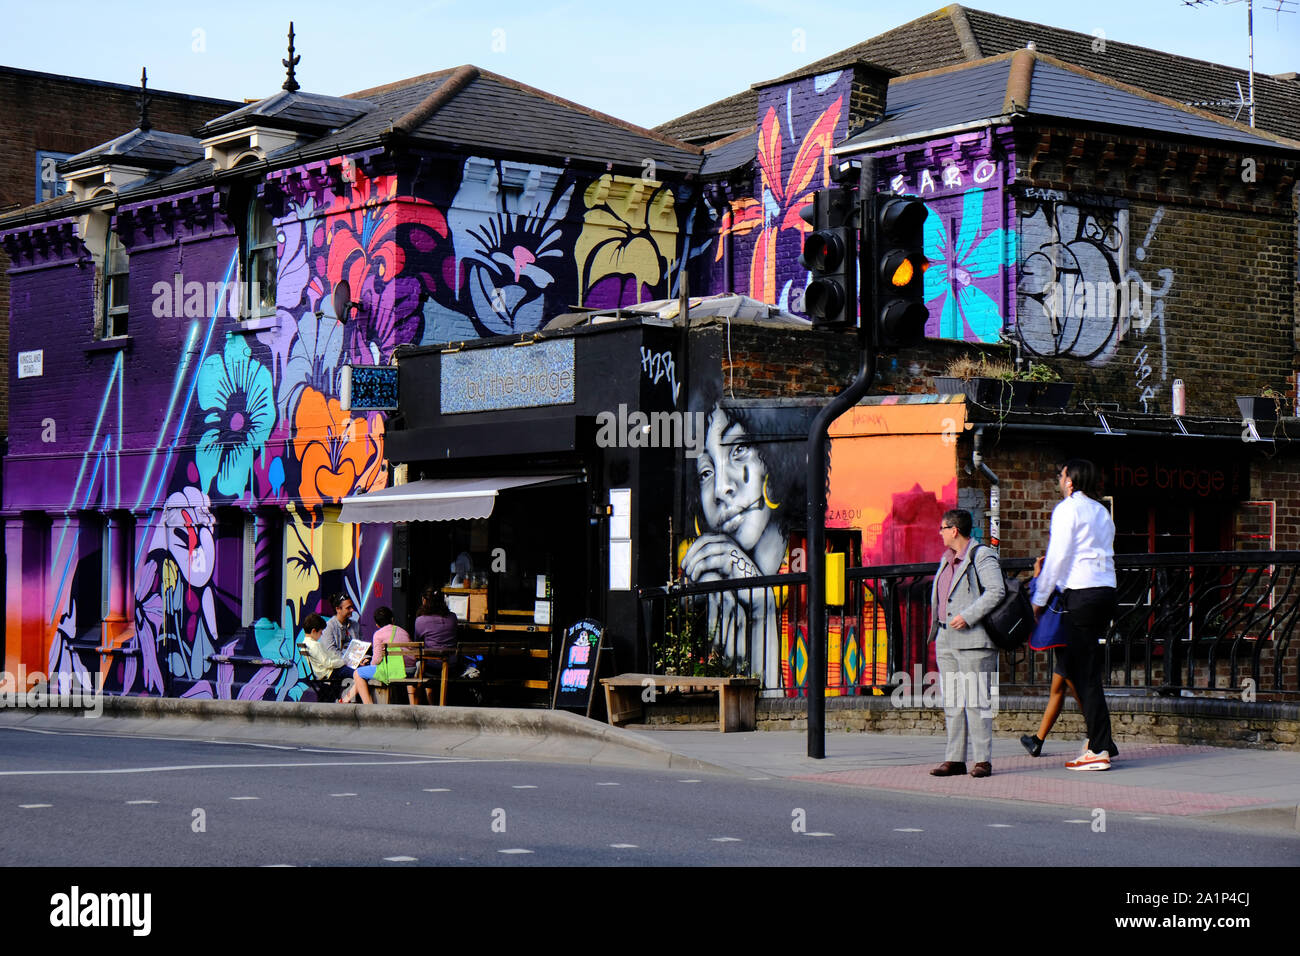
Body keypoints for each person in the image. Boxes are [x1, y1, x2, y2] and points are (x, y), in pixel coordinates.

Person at [679, 395, 799, 687]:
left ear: (773, 460)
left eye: (739, 450)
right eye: (706, 472)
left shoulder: (820, 581)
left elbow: (782, 724)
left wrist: (761, 608)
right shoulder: (708, 576)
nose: (721, 488)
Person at [1032, 459, 1119, 771]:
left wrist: (1039, 599)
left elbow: (1058, 557)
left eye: (1061, 474)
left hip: (1080, 594)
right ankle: (1102, 742)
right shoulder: (1101, 511)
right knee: (1081, 669)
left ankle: (1098, 750)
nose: (1059, 479)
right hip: (1106, 591)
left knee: (1084, 676)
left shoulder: (1067, 508)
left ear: (1070, 480)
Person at [929, 509, 1004, 778]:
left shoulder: (981, 556)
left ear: (954, 530)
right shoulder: (947, 559)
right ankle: (955, 759)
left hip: (973, 639)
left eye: (942, 528)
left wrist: (967, 616)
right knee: (953, 702)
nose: (940, 533)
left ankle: (982, 760)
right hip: (946, 639)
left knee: (976, 701)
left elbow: (997, 590)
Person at [1021, 556, 1082, 757]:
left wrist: (1037, 574)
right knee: (1058, 688)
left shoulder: (1062, 559)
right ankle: (1037, 740)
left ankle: (1101, 738)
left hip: (1063, 633)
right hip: (1068, 631)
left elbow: (1043, 589)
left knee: (1079, 690)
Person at [300, 611, 372, 704]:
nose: (321, 635)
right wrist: (344, 661)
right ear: (314, 631)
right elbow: (328, 663)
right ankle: (346, 699)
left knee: (357, 672)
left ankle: (346, 698)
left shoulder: (305, 643)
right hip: (331, 672)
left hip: (324, 672)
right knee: (360, 674)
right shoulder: (315, 645)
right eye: (321, 632)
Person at [349, 606, 412, 699]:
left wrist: (369, 663)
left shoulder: (378, 634)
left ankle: (368, 706)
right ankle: (345, 699)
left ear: (377, 625)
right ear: (393, 620)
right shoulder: (404, 632)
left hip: (393, 671)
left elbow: (376, 661)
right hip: (410, 670)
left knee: (358, 673)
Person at [415, 586, 460, 671]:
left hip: (431, 665)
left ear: (424, 601)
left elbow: (417, 643)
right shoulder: (453, 617)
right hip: (452, 665)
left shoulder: (421, 620)